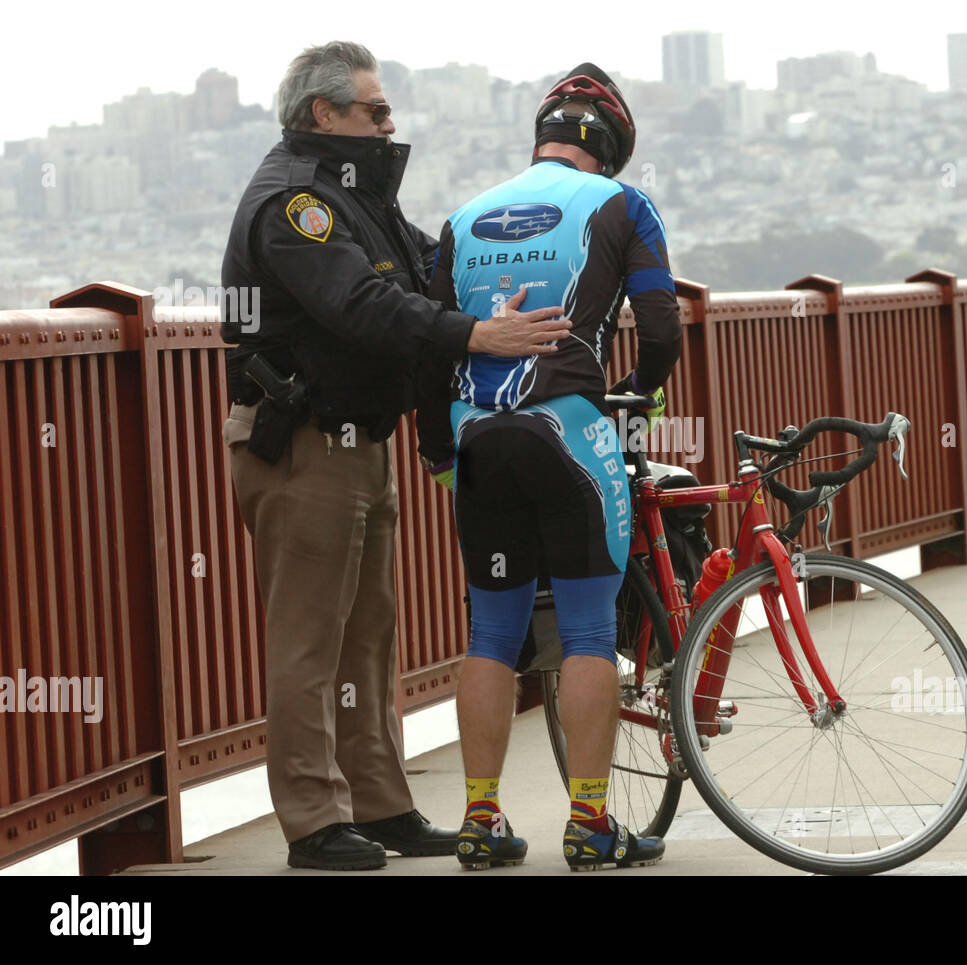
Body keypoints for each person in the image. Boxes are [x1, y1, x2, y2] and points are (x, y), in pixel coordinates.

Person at [220, 41, 570, 871]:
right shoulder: (295, 204)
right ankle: (312, 820)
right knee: (308, 640)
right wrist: (478, 335)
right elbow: (363, 305)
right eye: (375, 111)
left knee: (369, 637)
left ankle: (378, 805)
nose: (389, 123)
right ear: (325, 114)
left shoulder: (356, 195)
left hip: (359, 442)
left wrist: (501, 286)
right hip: (301, 446)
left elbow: (426, 276)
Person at [416, 62, 682, 871]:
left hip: (477, 441)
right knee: (591, 632)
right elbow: (662, 323)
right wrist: (639, 391)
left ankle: (480, 820)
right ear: (607, 147)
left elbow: (429, 351)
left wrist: (439, 454)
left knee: (492, 633)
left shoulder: (462, 218)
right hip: (571, 432)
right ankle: (592, 824)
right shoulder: (621, 205)